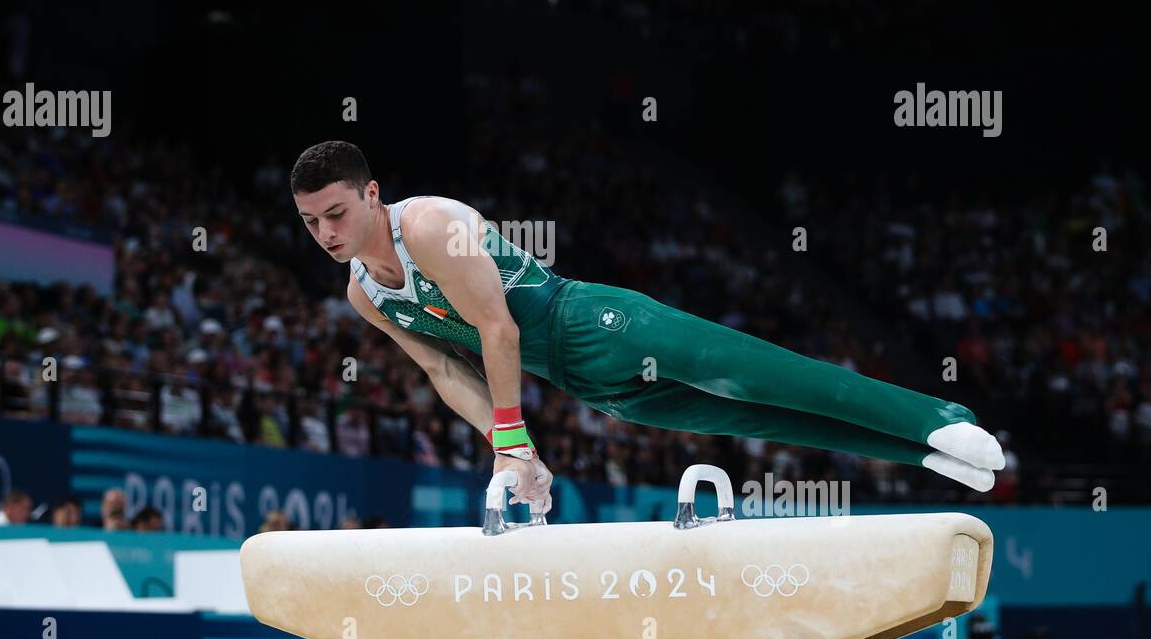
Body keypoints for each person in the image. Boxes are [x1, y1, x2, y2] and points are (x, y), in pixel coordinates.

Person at [291, 141, 1006, 515]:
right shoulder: (365, 295)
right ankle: (920, 455)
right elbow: (448, 371)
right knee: (760, 418)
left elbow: (497, 332)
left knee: (767, 374)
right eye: (311, 222)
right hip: (590, 386)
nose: (326, 233)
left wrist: (509, 443)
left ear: (372, 195)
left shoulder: (429, 226)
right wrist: (521, 455)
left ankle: (934, 415)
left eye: (336, 213)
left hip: (601, 325)